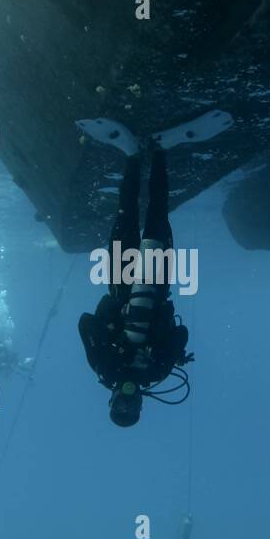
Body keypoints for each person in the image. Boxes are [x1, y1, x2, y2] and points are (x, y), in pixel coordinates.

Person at [76, 110, 233, 426]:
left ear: (112, 400)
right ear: (140, 406)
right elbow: (182, 333)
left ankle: (132, 155)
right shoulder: (156, 373)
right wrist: (159, 352)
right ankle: (160, 150)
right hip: (156, 282)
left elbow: (85, 323)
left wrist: (111, 341)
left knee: (126, 215)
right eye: (131, 408)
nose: (127, 401)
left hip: (121, 284)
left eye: (119, 406)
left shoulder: (104, 368)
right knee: (158, 215)